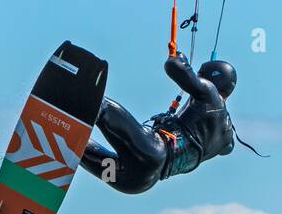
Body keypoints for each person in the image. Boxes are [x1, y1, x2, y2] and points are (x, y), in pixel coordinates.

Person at [81, 52, 254, 195]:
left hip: (151, 151)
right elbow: (228, 148)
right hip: (136, 182)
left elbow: (175, 68)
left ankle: (69, 93)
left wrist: (177, 56)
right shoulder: (226, 138)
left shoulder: (210, 93)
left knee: (99, 106)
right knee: (78, 149)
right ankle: (62, 139)